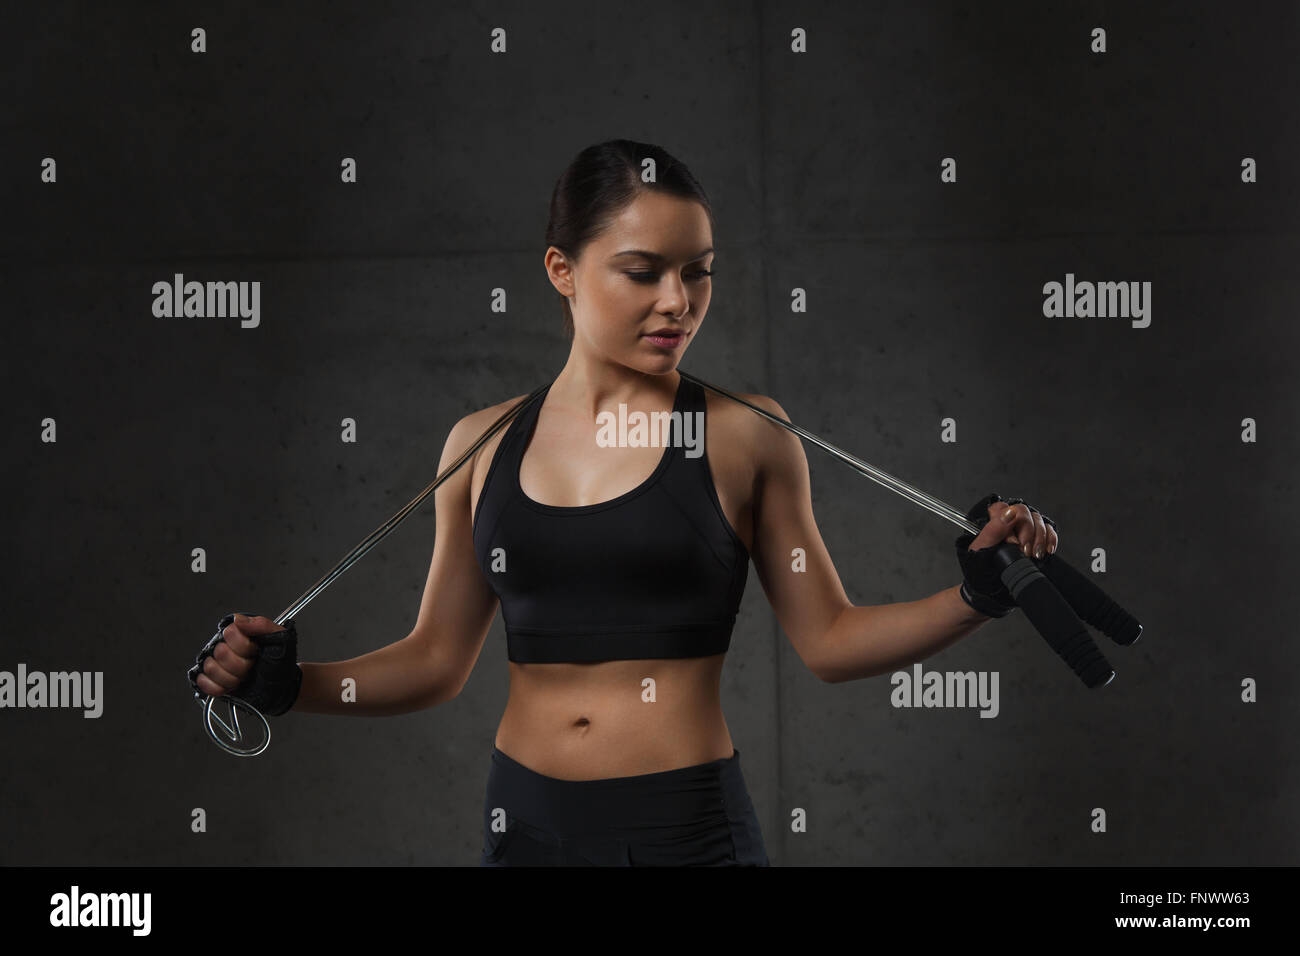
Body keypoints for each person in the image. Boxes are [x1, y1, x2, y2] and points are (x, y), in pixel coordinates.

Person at [190, 139, 1058, 866]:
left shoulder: (746, 436)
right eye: (642, 272)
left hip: (682, 829)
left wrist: (973, 599)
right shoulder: (480, 444)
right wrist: (291, 686)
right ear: (561, 271)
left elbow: (829, 641)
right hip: (522, 825)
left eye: (699, 273)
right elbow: (434, 661)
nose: (677, 301)